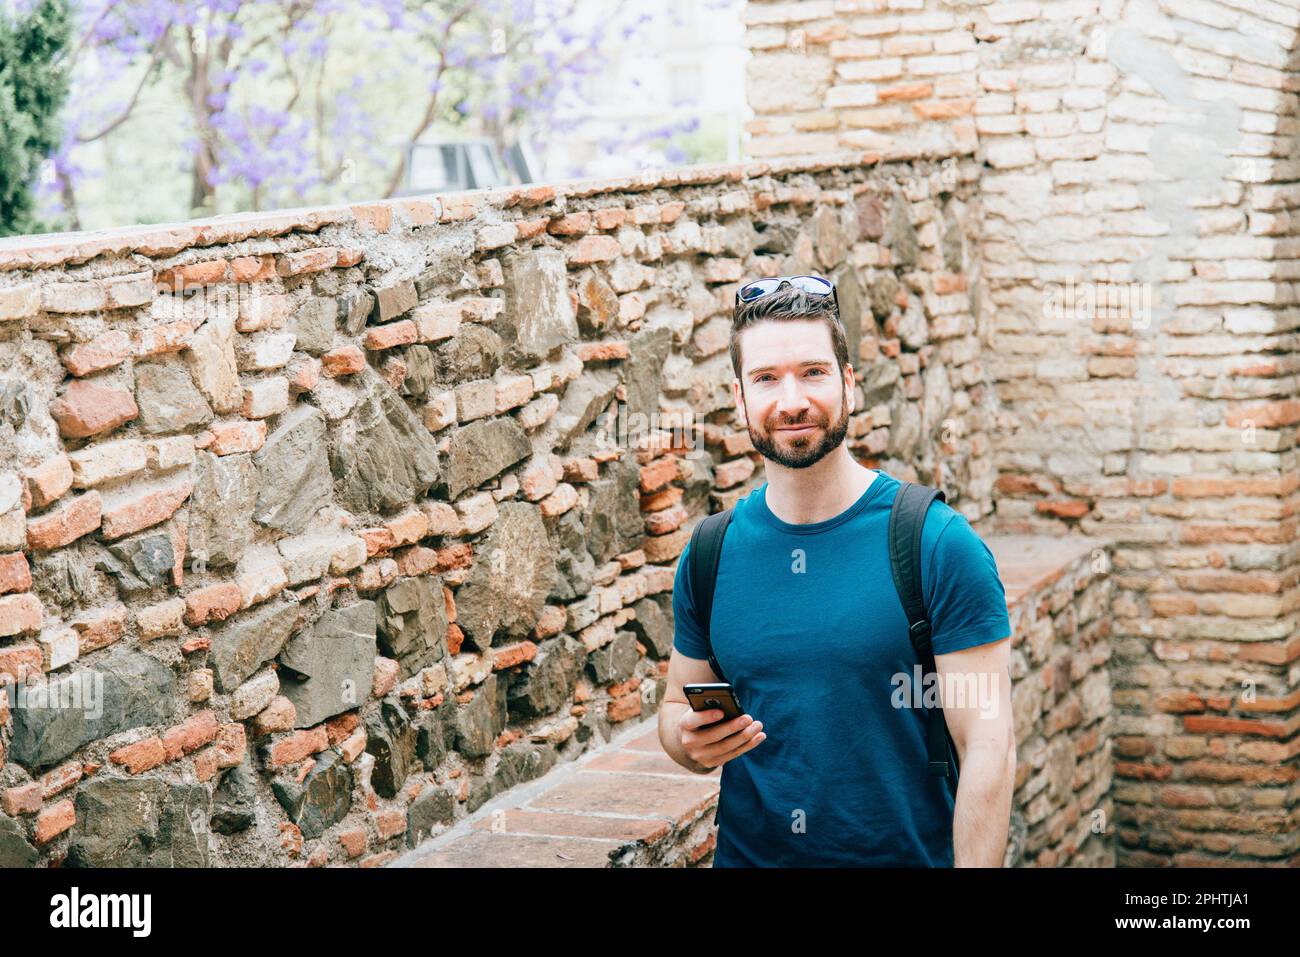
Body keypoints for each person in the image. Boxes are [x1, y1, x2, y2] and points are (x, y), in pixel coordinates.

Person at [656, 276, 1016, 867]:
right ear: (739, 398)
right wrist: (687, 743)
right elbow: (675, 707)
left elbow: (988, 748)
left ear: (849, 385)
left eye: (813, 372)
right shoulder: (710, 552)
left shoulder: (935, 543)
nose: (791, 400)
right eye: (767, 378)